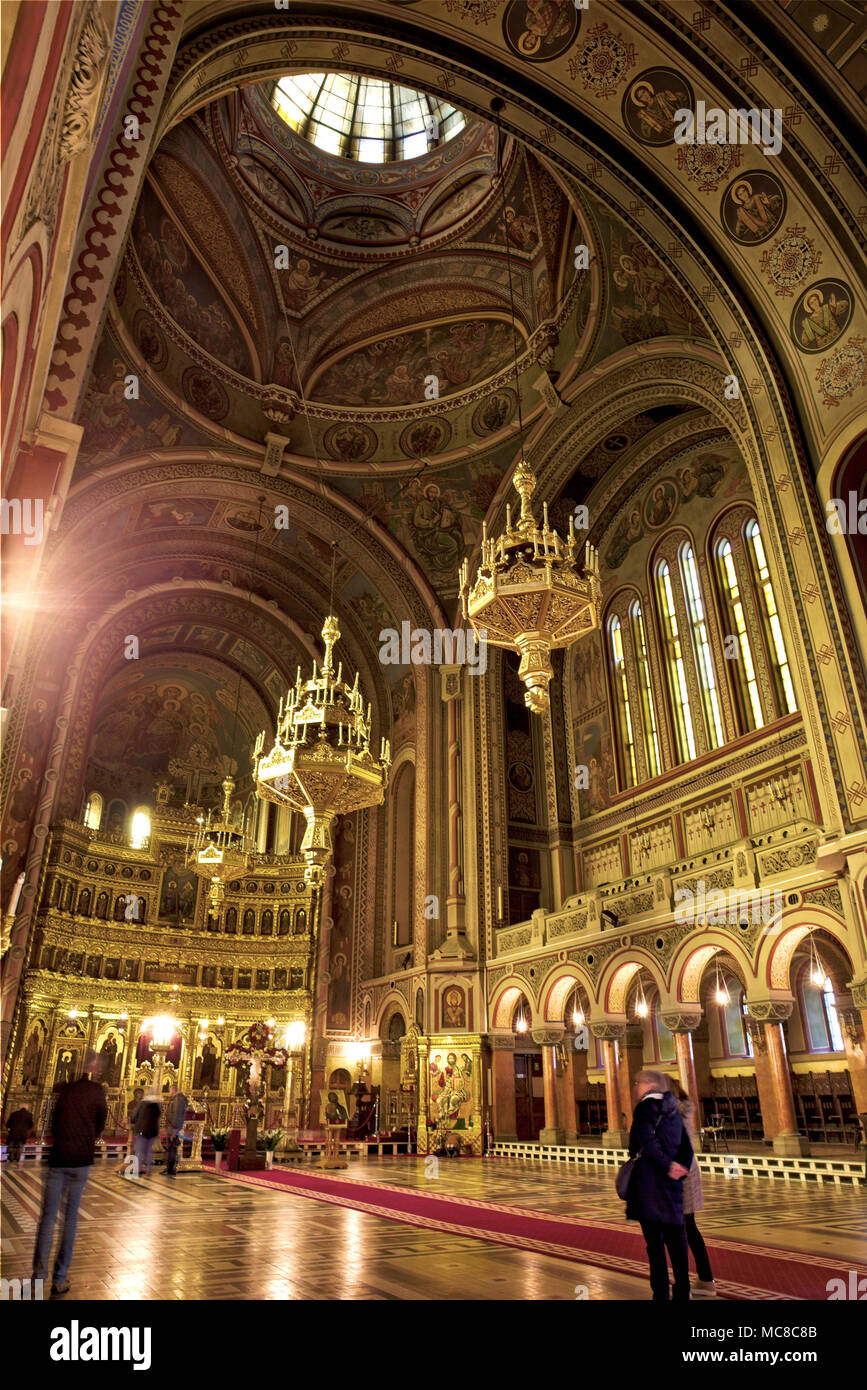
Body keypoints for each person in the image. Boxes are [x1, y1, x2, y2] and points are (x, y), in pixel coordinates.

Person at [32, 1051, 107, 1297]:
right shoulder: (97, 1092)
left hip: (59, 1157)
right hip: (81, 1160)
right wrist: (88, 1138)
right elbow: (100, 1124)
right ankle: (60, 1278)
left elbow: (53, 1122)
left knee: (47, 1218)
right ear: (95, 1069)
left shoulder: (64, 1089)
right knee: (70, 1220)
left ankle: (38, 1275)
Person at [625, 1069, 693, 1302]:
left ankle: (661, 1294)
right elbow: (686, 1147)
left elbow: (644, 1142)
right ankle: (683, 1293)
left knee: (655, 1246)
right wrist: (679, 1170)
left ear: (649, 1085)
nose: (635, 1088)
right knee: (677, 1243)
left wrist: (665, 1165)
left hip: (649, 1187)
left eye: (637, 1083)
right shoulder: (673, 1109)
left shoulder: (645, 1108)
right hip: (672, 1188)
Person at [669, 1081, 716, 1296]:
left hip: (675, 1172)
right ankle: (705, 1279)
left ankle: (684, 1284)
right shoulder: (683, 1109)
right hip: (686, 1169)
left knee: (677, 1231)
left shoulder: (671, 1113)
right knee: (689, 1227)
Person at [130, 1090, 161, 1176]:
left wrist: (133, 1121)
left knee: (140, 1151)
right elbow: (158, 1116)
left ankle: (137, 1169)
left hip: (142, 1131)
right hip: (152, 1132)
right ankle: (148, 1169)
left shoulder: (142, 1104)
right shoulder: (156, 1105)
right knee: (148, 1151)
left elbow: (134, 1115)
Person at [163, 1086, 188, 1176]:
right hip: (172, 1126)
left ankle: (171, 1168)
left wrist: (174, 1129)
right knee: (170, 1147)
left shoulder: (178, 1099)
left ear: (174, 1090)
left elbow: (177, 1115)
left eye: (170, 1090)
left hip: (173, 1127)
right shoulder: (176, 1099)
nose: (169, 1091)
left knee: (172, 1148)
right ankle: (169, 1167)